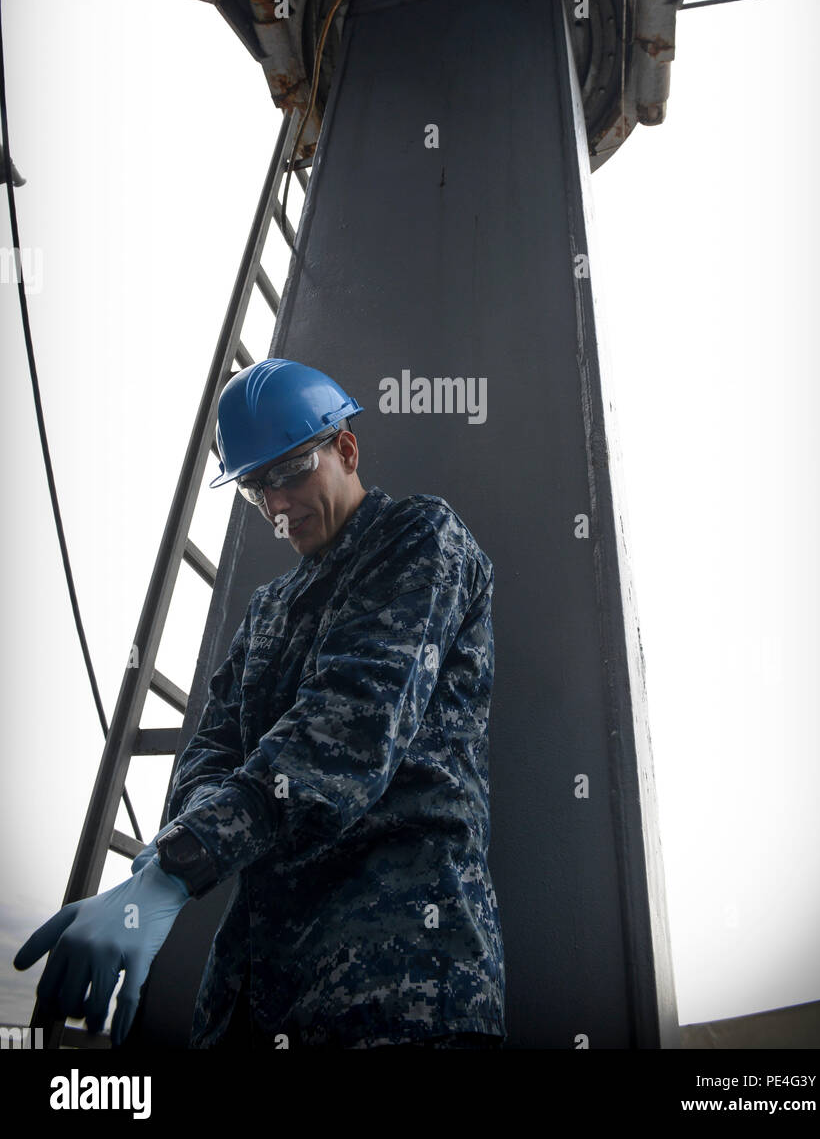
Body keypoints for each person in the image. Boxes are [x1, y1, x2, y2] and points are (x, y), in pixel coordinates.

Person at [15, 358, 506, 1049]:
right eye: (254, 488)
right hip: (256, 991)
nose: (275, 506)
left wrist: (175, 871)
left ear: (346, 448)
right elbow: (210, 751)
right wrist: (169, 860)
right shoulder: (269, 611)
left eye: (289, 472)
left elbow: (344, 732)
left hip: (398, 985)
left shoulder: (421, 540)